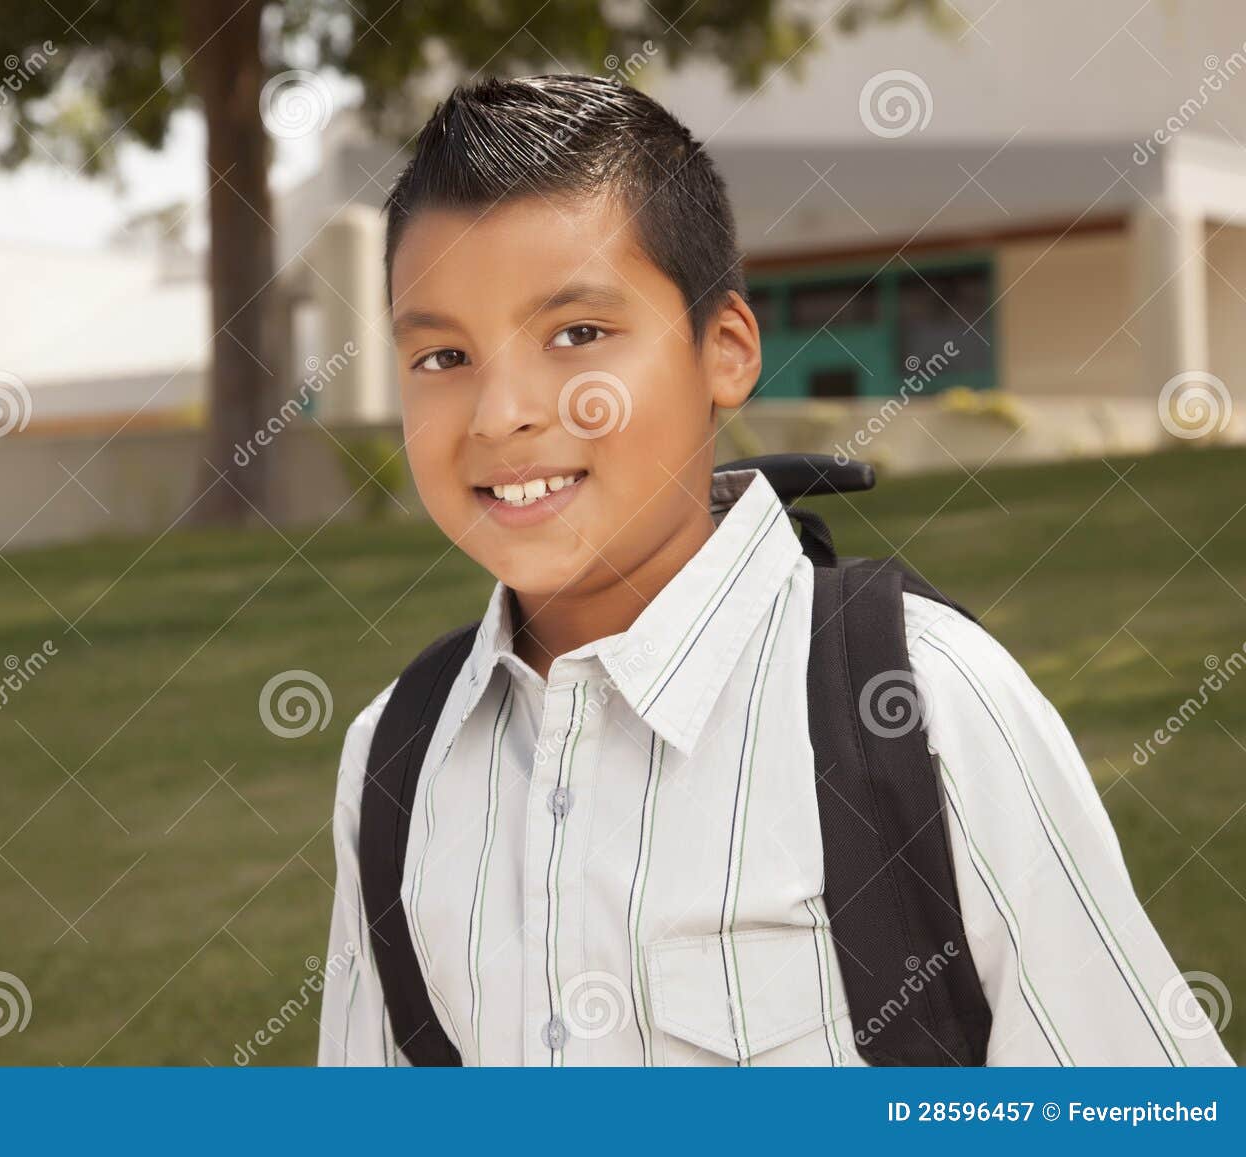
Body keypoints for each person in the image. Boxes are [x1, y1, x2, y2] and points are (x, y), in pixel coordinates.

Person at [315, 73, 1234, 1067]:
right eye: (442, 356)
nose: (501, 413)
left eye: (576, 334)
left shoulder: (921, 699)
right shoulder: (398, 756)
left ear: (725, 350)